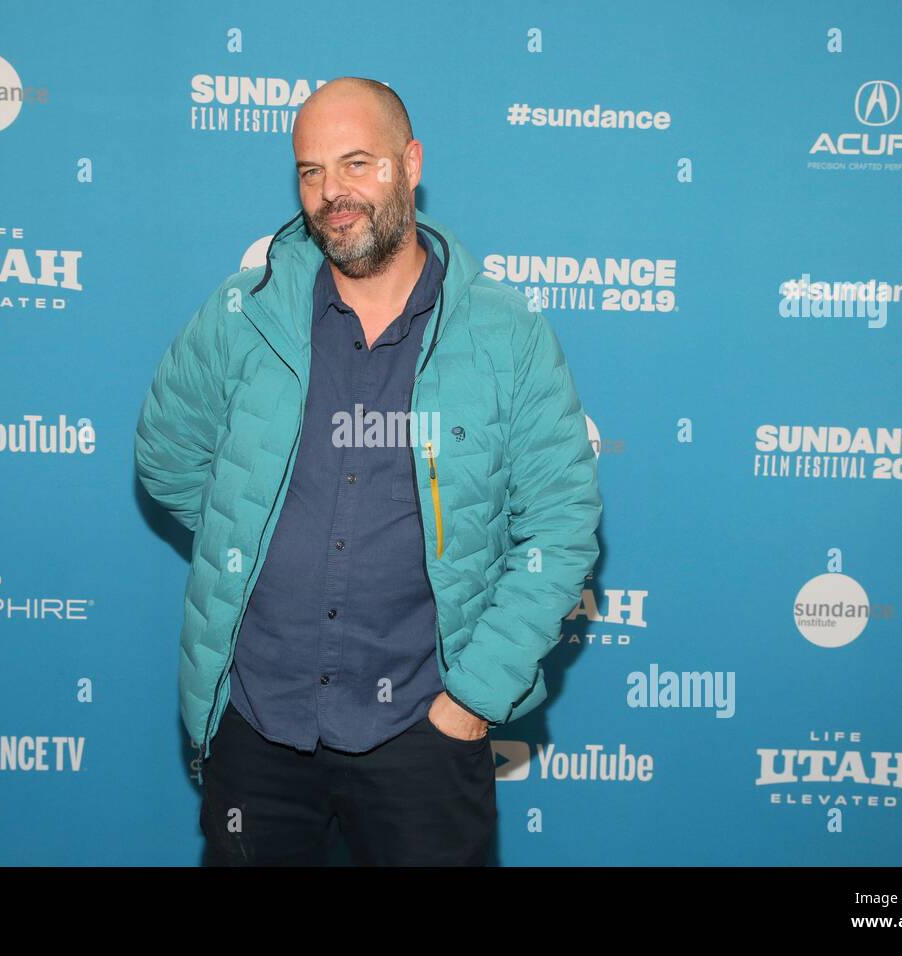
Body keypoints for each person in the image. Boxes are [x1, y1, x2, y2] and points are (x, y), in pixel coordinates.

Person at [134, 76, 601, 865]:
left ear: (410, 163)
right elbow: (168, 457)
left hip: (423, 733)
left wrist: (473, 698)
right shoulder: (244, 314)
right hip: (257, 727)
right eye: (312, 171)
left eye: (357, 163)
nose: (331, 193)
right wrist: (257, 525)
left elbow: (559, 523)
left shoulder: (505, 334)